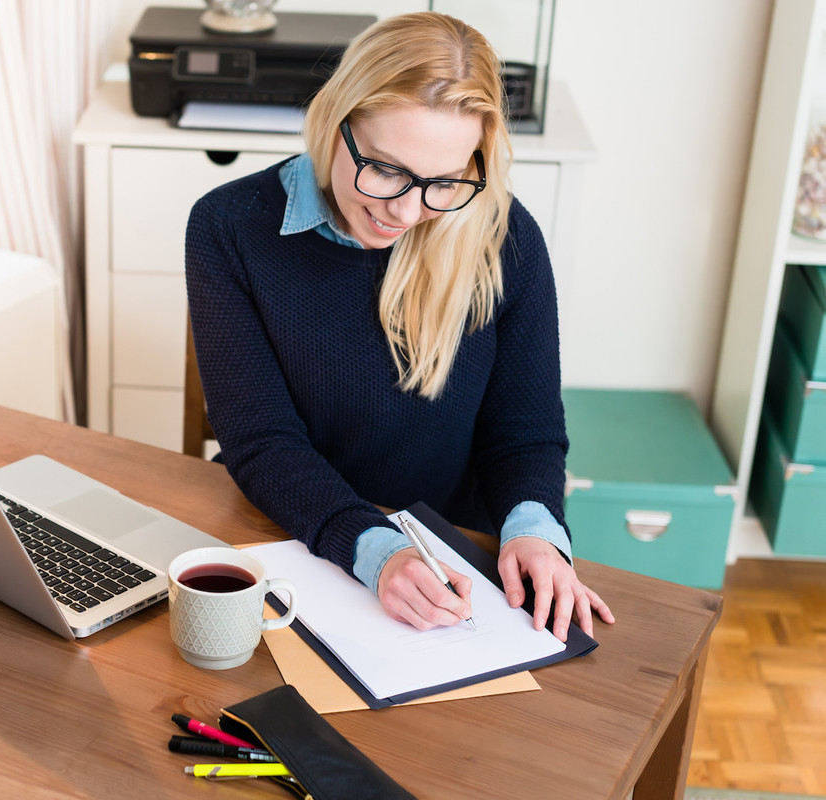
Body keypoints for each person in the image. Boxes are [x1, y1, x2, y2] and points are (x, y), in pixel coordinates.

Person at [185, 12, 615, 643]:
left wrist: (534, 532)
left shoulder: (505, 237)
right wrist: (374, 550)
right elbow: (261, 440)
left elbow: (524, 435)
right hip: (287, 531)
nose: (407, 211)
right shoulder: (229, 227)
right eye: (385, 168)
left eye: (443, 181)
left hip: (451, 556)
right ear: (336, 118)